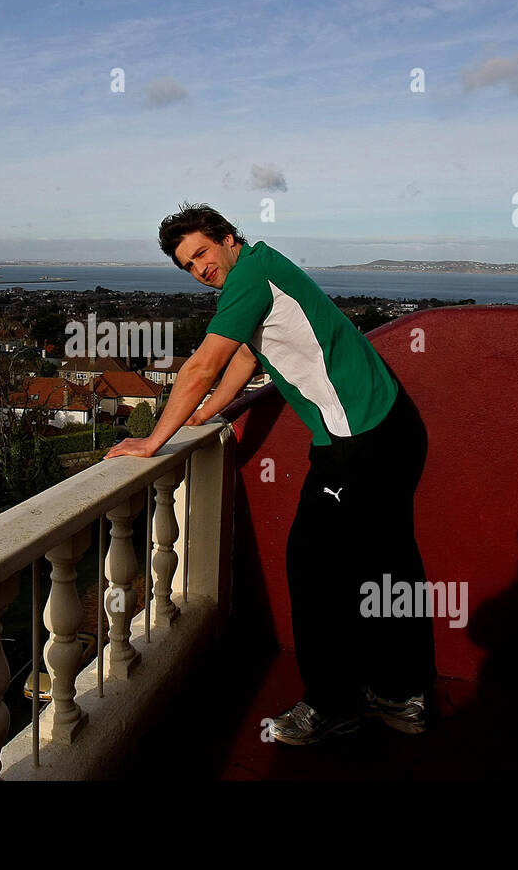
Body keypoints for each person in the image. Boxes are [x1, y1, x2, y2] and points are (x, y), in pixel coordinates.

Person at [103, 202, 436, 745]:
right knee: (383, 562)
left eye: (202, 253)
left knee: (312, 563)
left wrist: (152, 440)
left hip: (362, 438)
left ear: (229, 238)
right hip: (388, 426)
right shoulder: (260, 270)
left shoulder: (251, 274)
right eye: (188, 265)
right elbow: (243, 359)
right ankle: (400, 694)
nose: (199, 269)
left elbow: (203, 364)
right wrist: (206, 413)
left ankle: (334, 706)